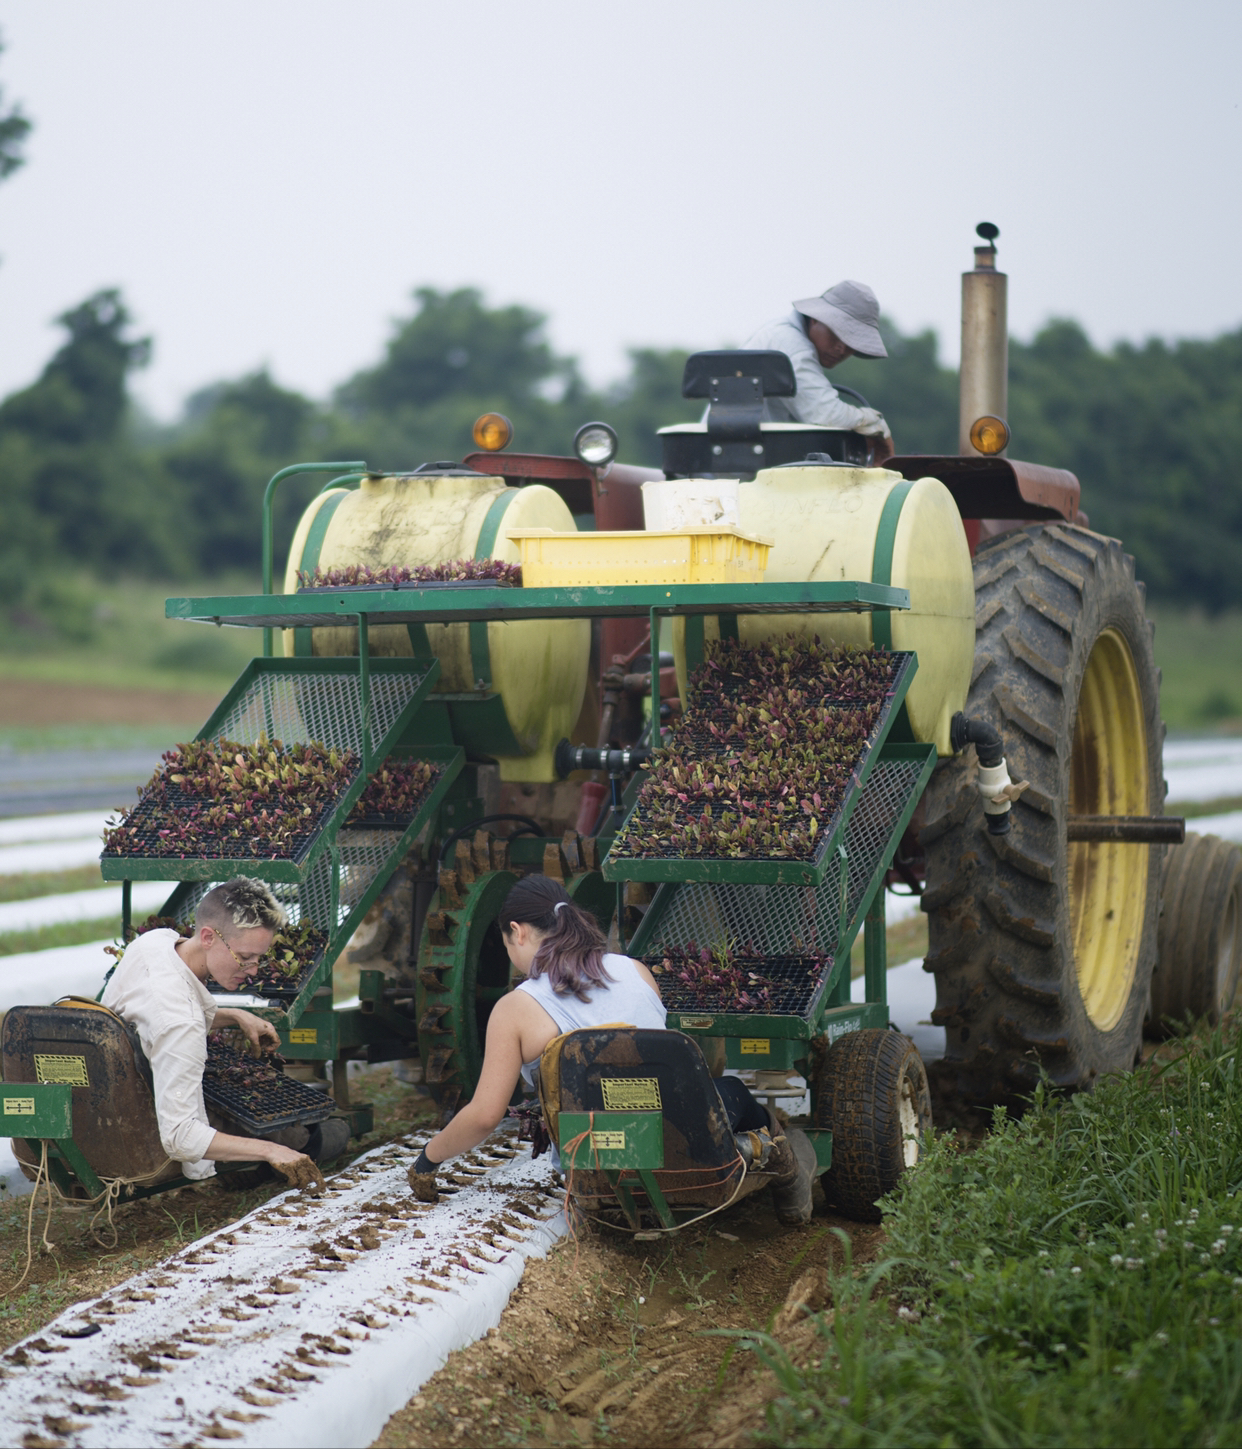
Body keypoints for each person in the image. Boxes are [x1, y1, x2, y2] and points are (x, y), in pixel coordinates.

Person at [407, 875, 816, 1225]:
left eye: (507, 944)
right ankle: (785, 1171)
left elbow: (484, 1116)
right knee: (731, 1092)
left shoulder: (515, 1009)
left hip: (593, 1161)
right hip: (684, 1145)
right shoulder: (635, 971)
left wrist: (428, 1159)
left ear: (518, 931)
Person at [101, 877, 346, 1192]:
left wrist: (234, 1015)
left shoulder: (155, 943)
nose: (254, 970)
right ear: (207, 937)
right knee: (289, 1135)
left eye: (259, 958)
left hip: (123, 1088)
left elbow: (153, 1014)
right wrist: (274, 1152)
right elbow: (180, 1137)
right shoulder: (181, 1023)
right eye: (244, 958)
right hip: (147, 1121)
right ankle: (311, 1143)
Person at [744, 280, 895, 463]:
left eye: (851, 342)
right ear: (816, 318)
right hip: (743, 471)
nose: (841, 348)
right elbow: (826, 415)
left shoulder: (780, 334)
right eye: (836, 333)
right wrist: (873, 423)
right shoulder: (792, 346)